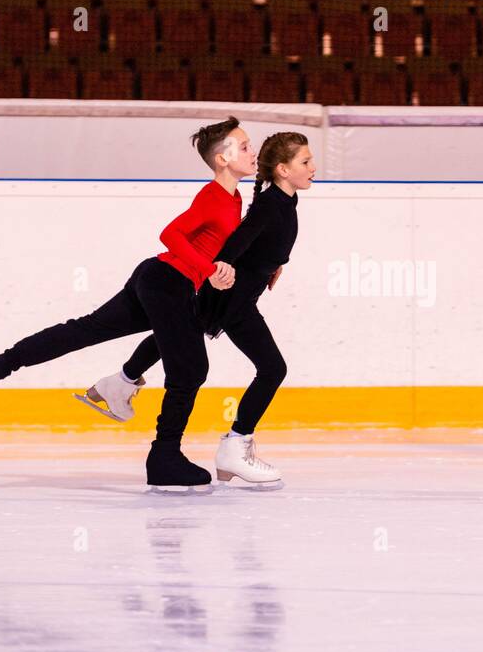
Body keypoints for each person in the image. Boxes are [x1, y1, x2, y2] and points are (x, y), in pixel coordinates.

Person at [0, 117, 253, 494]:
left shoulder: (235, 198)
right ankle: (164, 458)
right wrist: (208, 269)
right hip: (167, 282)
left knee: (85, 330)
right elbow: (170, 234)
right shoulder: (213, 196)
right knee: (190, 369)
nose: (253, 153)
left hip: (158, 280)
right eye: (245, 146)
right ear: (222, 158)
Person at [84, 132, 314, 491]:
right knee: (271, 368)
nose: (313, 168)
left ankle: (120, 382)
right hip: (231, 301)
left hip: (236, 299)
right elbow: (235, 243)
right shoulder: (271, 205)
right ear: (283, 169)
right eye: (305, 162)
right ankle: (235, 446)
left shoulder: (284, 201)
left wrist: (273, 264)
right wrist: (219, 269)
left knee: (175, 336)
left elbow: (258, 239)